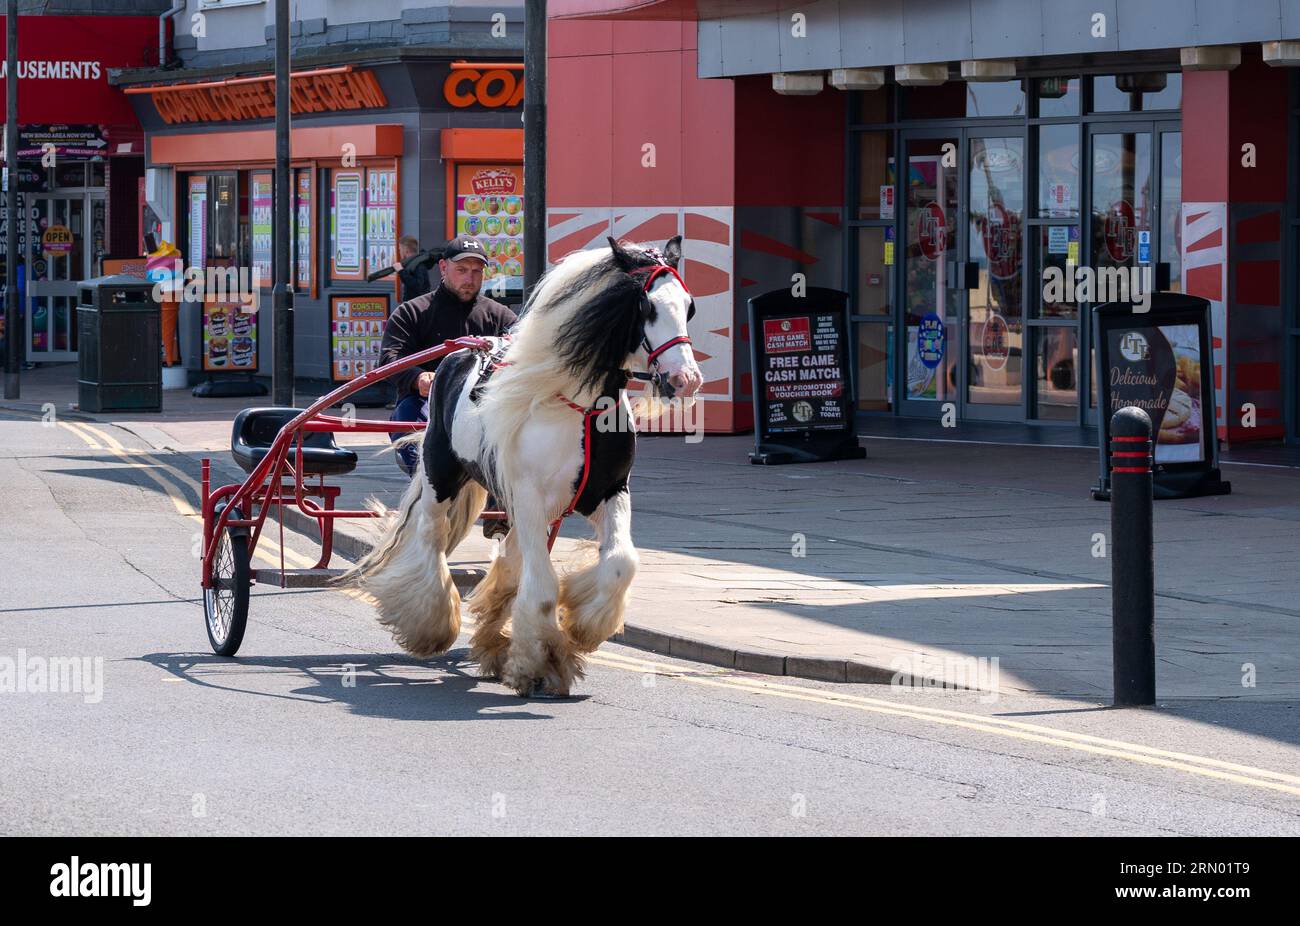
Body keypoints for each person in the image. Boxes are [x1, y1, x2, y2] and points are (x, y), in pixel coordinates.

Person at [381, 234, 516, 538]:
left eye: (477, 271)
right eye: (462, 270)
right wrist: (417, 378)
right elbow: (389, 358)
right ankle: (431, 500)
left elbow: (524, 352)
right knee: (407, 421)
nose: (470, 278)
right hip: (424, 407)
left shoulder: (500, 316)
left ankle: (500, 511)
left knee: (516, 432)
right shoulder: (412, 312)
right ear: (443, 267)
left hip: (482, 412)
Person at [393, 235, 432, 300]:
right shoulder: (412, 263)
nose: (399, 252)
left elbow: (418, 286)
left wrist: (401, 271)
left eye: (400, 249)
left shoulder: (418, 264)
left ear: (406, 250)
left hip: (417, 306)